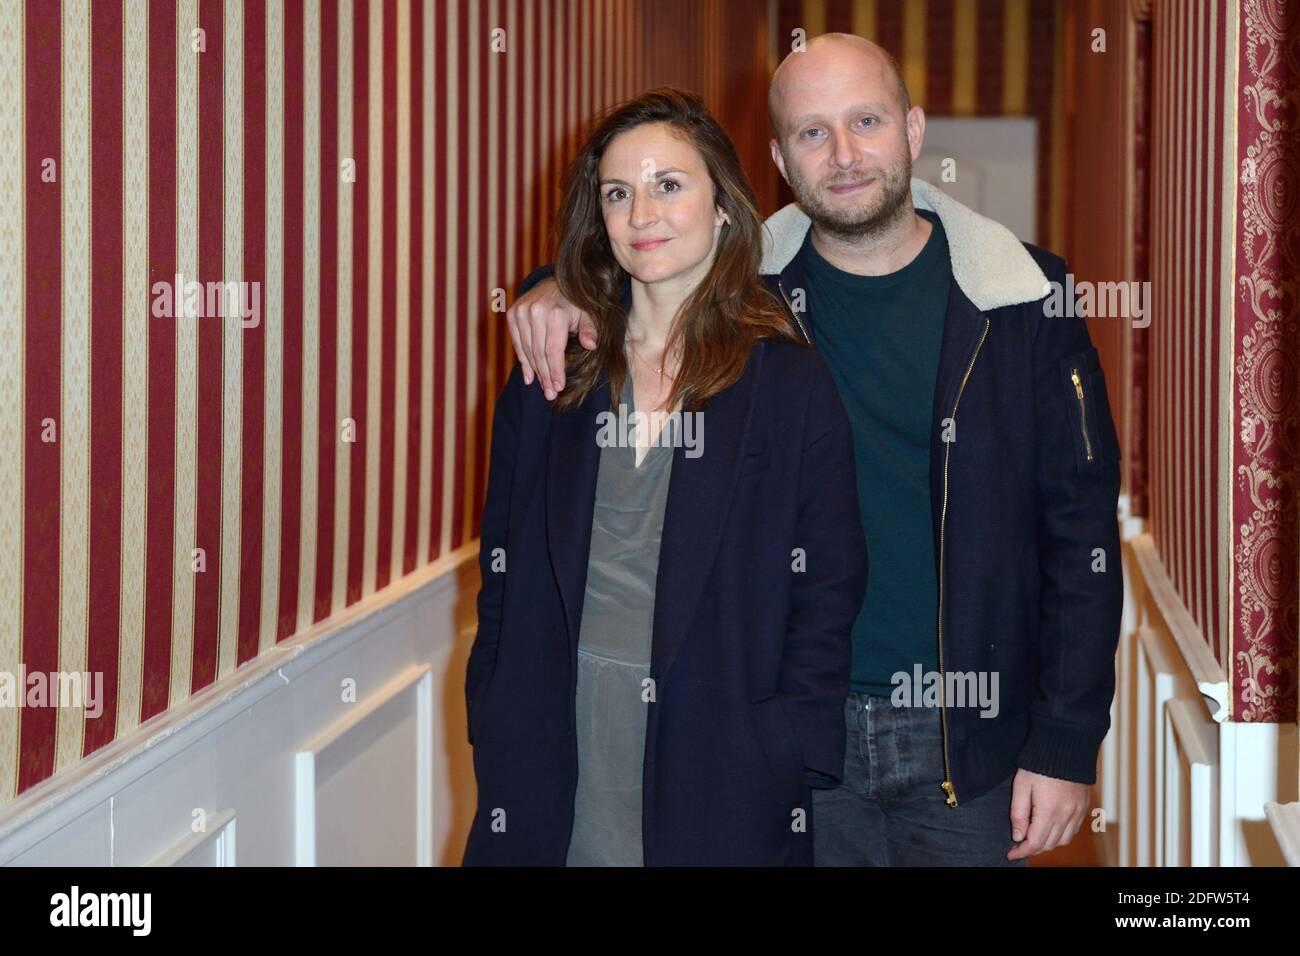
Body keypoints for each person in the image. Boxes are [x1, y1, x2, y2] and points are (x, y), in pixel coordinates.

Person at [505, 34, 1123, 866]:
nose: (843, 154)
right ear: (778, 160)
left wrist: (1065, 741)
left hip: (965, 743)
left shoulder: (1020, 298)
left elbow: (1080, 533)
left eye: (865, 121)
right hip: (792, 732)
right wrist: (556, 287)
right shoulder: (749, 300)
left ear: (912, 130)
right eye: (811, 133)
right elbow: (639, 255)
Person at [462, 87, 868, 866]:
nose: (642, 212)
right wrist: (495, 705)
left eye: (669, 185)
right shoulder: (553, 370)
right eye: (619, 192)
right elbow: (502, 569)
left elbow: (828, 589)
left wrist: (783, 743)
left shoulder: (786, 382)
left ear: (723, 207)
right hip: (556, 734)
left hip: (719, 749)